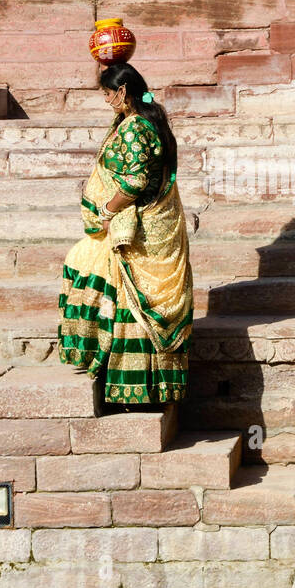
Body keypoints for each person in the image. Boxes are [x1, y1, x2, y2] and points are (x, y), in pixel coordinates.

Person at [58, 62, 193, 407]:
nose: (105, 100)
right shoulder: (149, 118)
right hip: (153, 227)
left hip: (138, 230)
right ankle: (139, 386)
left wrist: (107, 210)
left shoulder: (135, 126)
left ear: (122, 91)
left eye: (107, 93)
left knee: (94, 272)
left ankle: (123, 380)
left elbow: (134, 182)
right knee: (127, 295)